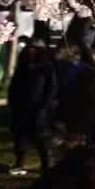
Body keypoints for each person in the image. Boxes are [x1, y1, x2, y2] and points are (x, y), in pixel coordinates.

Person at [10, 40, 61, 174]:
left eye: (34, 49)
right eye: (29, 48)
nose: (31, 51)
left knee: (41, 138)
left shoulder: (46, 67)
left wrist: (44, 107)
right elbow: (14, 86)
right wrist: (13, 103)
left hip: (39, 108)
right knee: (20, 137)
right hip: (21, 108)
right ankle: (19, 163)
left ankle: (46, 164)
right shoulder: (22, 66)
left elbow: (51, 89)